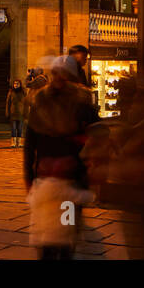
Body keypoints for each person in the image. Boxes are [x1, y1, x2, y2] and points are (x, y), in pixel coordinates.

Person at [24, 56, 98, 258]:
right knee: (45, 237)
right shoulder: (40, 101)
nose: (59, 77)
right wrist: (29, 177)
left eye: (64, 73)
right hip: (45, 180)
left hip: (71, 180)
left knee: (65, 237)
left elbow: (95, 134)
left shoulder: (82, 102)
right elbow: (30, 143)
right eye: (56, 72)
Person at [5, 79, 27, 148]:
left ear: (20, 84)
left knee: (20, 128)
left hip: (21, 113)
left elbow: (26, 103)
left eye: (17, 83)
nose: (16, 85)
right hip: (13, 113)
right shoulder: (11, 92)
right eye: (14, 83)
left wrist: (26, 113)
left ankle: (19, 142)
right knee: (13, 128)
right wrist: (7, 112)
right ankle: (13, 142)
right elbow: (8, 103)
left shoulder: (23, 92)